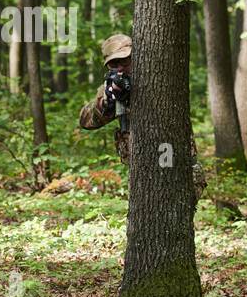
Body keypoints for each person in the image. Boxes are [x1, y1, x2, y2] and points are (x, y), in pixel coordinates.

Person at [78, 33, 206, 204]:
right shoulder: (113, 88)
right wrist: (107, 102)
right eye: (114, 64)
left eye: (125, 61)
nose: (120, 68)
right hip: (143, 172)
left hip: (174, 162)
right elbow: (85, 121)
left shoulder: (157, 78)